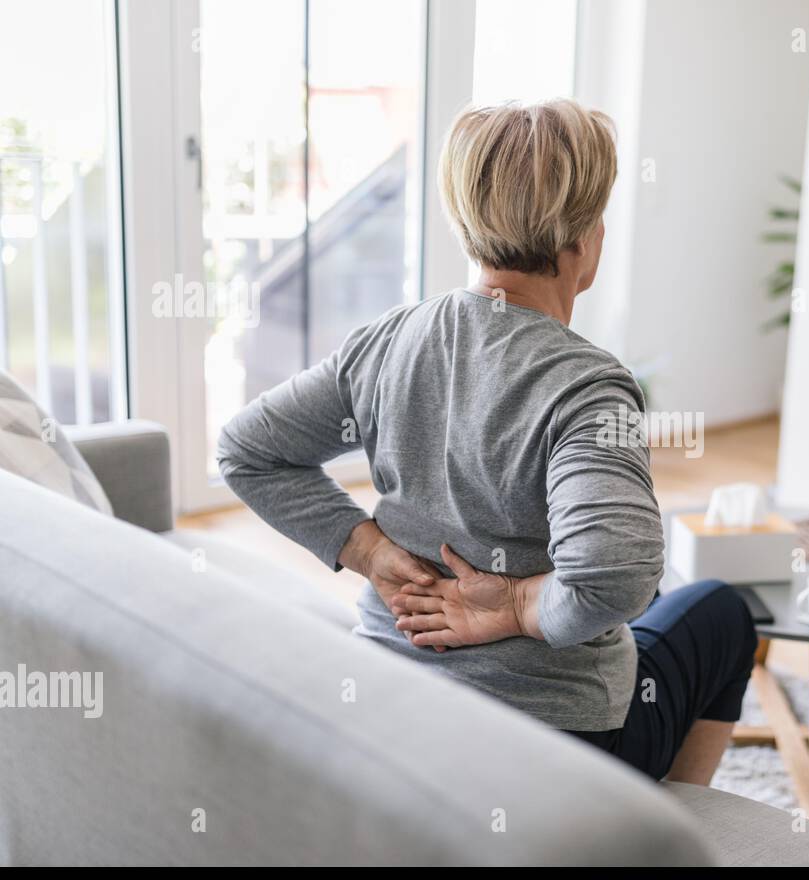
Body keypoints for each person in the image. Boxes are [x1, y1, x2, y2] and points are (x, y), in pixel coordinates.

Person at [217, 99, 756, 784]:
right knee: (721, 612)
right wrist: (519, 606)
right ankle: (655, 831)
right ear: (584, 239)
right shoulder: (584, 385)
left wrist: (371, 552)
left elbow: (245, 450)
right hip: (559, 751)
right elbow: (614, 577)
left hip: (393, 702)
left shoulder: (390, 340)